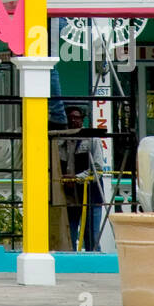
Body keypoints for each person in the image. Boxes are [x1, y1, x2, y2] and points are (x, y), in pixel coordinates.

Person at [59, 106, 105, 251]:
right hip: (70, 194)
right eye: (70, 118)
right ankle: (70, 261)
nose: (73, 121)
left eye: (76, 118)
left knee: (91, 232)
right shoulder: (62, 139)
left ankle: (95, 262)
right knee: (70, 231)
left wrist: (76, 178)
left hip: (91, 193)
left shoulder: (91, 139)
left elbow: (97, 169)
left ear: (82, 119)